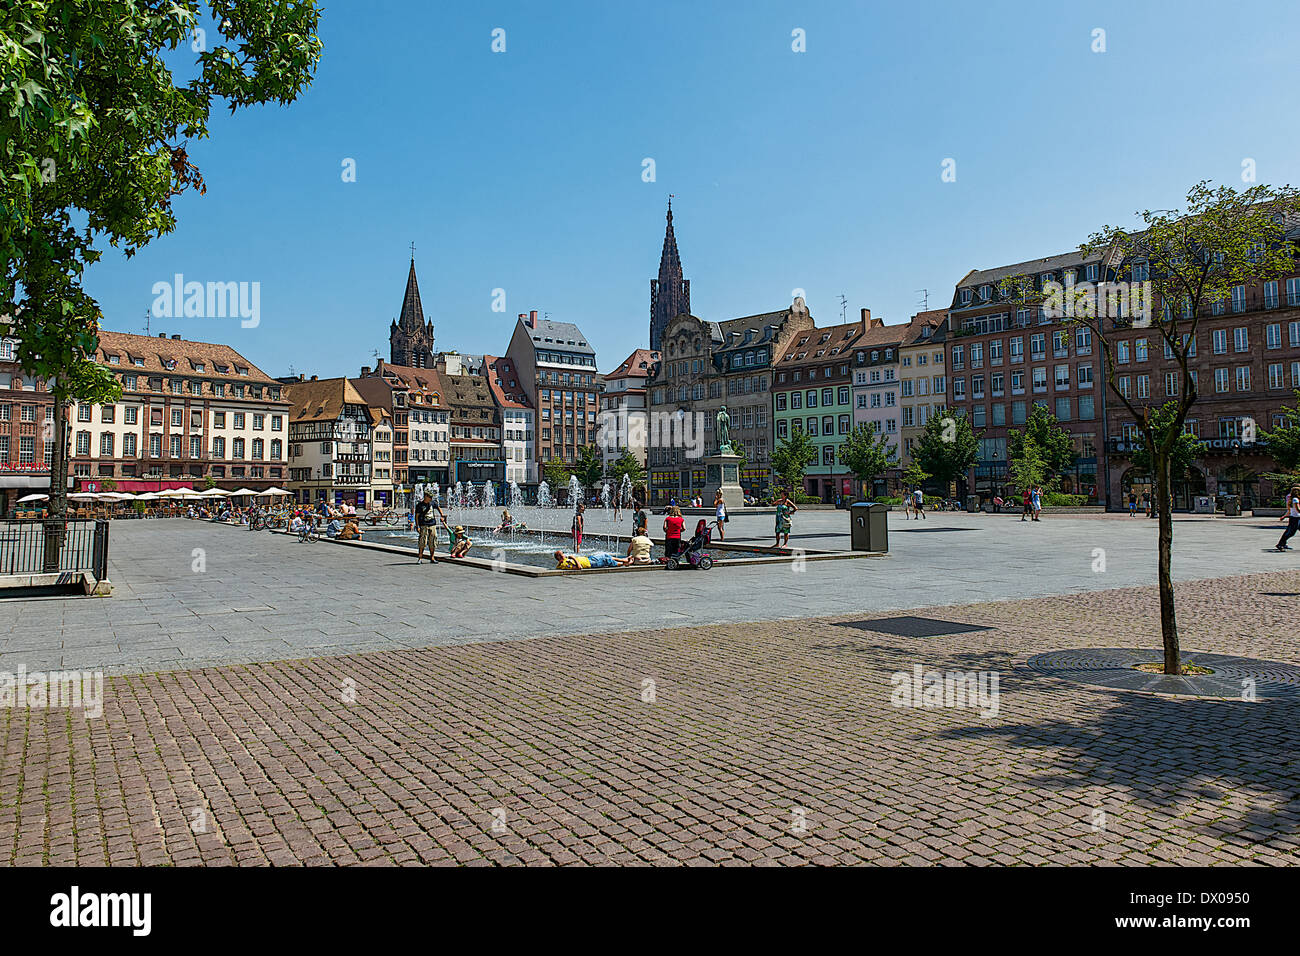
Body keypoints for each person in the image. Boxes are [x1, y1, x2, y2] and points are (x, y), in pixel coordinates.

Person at [414, 490, 446, 564]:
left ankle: (432, 557)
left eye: (431, 497)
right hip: (423, 524)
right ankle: (420, 558)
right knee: (422, 541)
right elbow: (417, 516)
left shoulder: (432, 503)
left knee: (433, 541)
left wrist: (442, 515)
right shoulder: (420, 505)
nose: (431, 499)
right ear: (425, 497)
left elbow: (438, 508)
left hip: (432, 524)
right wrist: (417, 526)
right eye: (430, 497)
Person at [1277, 485, 1300, 552]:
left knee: (1289, 532)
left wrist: (1284, 516)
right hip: (1296, 518)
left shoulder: (1292, 499)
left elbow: (1290, 511)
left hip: (1295, 518)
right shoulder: (1295, 499)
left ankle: (1282, 543)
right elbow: (1298, 509)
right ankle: (1280, 544)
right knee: (1291, 533)